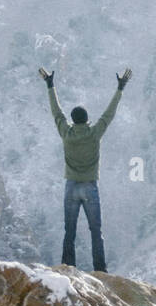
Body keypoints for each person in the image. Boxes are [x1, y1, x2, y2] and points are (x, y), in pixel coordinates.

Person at [38, 66, 131, 272]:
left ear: (73, 120)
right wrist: (120, 89)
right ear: (87, 120)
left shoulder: (66, 133)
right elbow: (109, 114)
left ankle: (67, 268)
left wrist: (50, 85)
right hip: (90, 186)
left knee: (69, 231)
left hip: (71, 187)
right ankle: (100, 270)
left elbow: (57, 113)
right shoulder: (94, 133)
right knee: (95, 231)